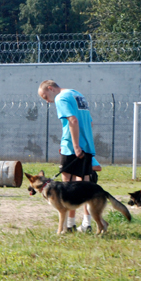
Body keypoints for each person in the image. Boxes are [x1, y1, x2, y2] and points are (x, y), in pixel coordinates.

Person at [37, 80, 96, 232]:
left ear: (50, 88)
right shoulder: (78, 95)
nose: (47, 101)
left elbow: (73, 120)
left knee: (66, 187)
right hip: (87, 145)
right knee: (86, 187)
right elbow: (90, 123)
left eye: (45, 96)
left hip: (71, 147)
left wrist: (75, 146)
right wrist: (84, 144)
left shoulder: (60, 98)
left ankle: (69, 225)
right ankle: (87, 224)